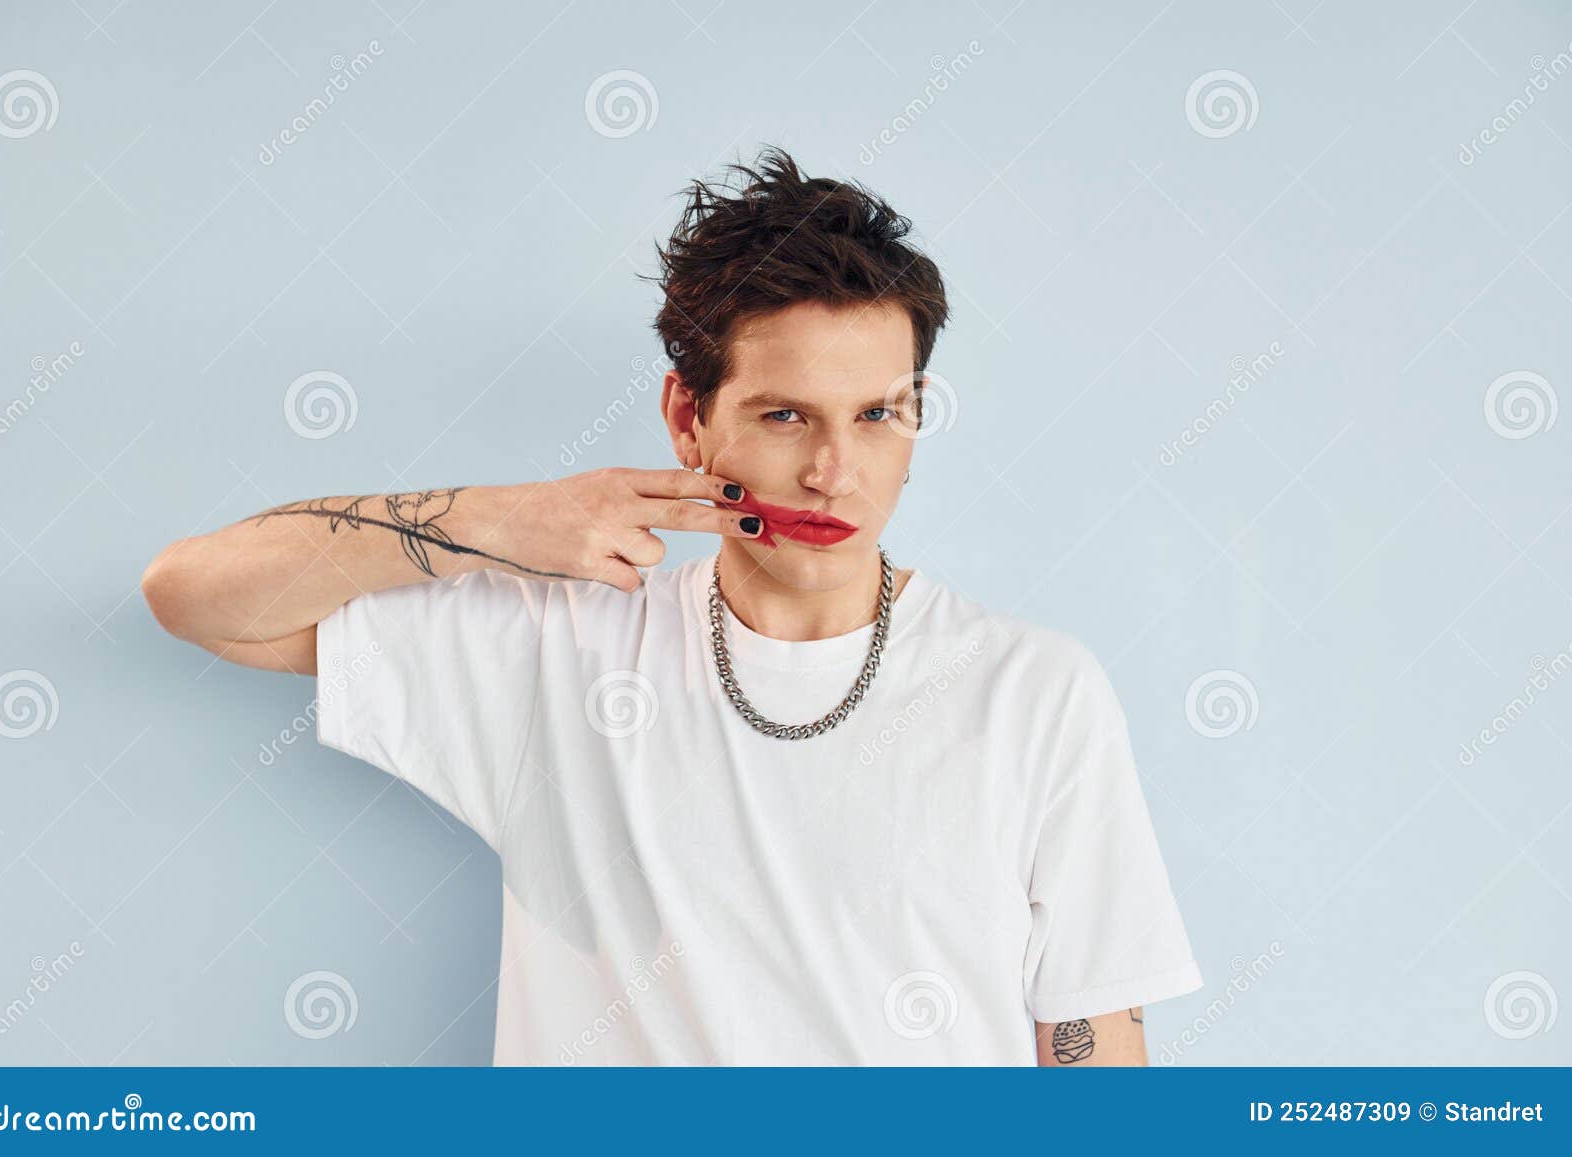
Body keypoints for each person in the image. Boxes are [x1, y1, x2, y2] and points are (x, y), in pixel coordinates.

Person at [141, 146, 1202, 1065]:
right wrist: (502, 520)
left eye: (878, 414)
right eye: (785, 415)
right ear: (688, 417)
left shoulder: (1030, 688)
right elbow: (194, 594)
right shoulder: (552, 647)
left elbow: (1092, 1040)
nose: (836, 471)